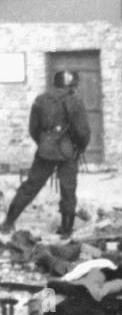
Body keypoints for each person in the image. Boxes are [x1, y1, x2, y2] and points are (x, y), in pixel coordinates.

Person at [2, 69, 91, 236]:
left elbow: (33, 129)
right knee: (68, 190)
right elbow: (83, 132)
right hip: (68, 152)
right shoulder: (76, 101)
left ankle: (8, 223)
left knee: (30, 186)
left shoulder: (40, 100)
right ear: (72, 85)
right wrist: (79, 147)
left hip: (46, 151)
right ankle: (66, 230)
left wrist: (44, 143)